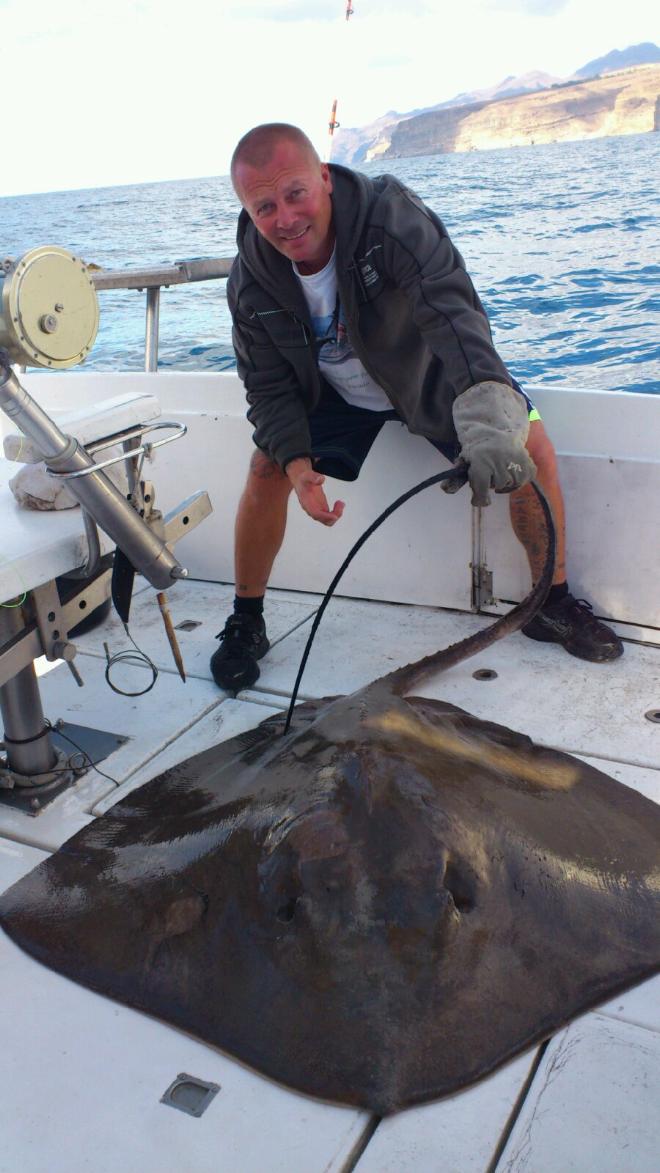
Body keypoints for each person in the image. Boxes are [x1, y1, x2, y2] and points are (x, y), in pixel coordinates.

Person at [210, 122, 623, 692]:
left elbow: (454, 316)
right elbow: (267, 387)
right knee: (265, 467)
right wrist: (297, 464)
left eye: (295, 193)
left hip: (423, 372)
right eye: (264, 207)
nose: (285, 217)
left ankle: (549, 601)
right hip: (332, 393)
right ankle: (246, 620)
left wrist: (487, 417)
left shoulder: (390, 219)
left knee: (527, 443)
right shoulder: (250, 281)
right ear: (247, 212)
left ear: (324, 179)